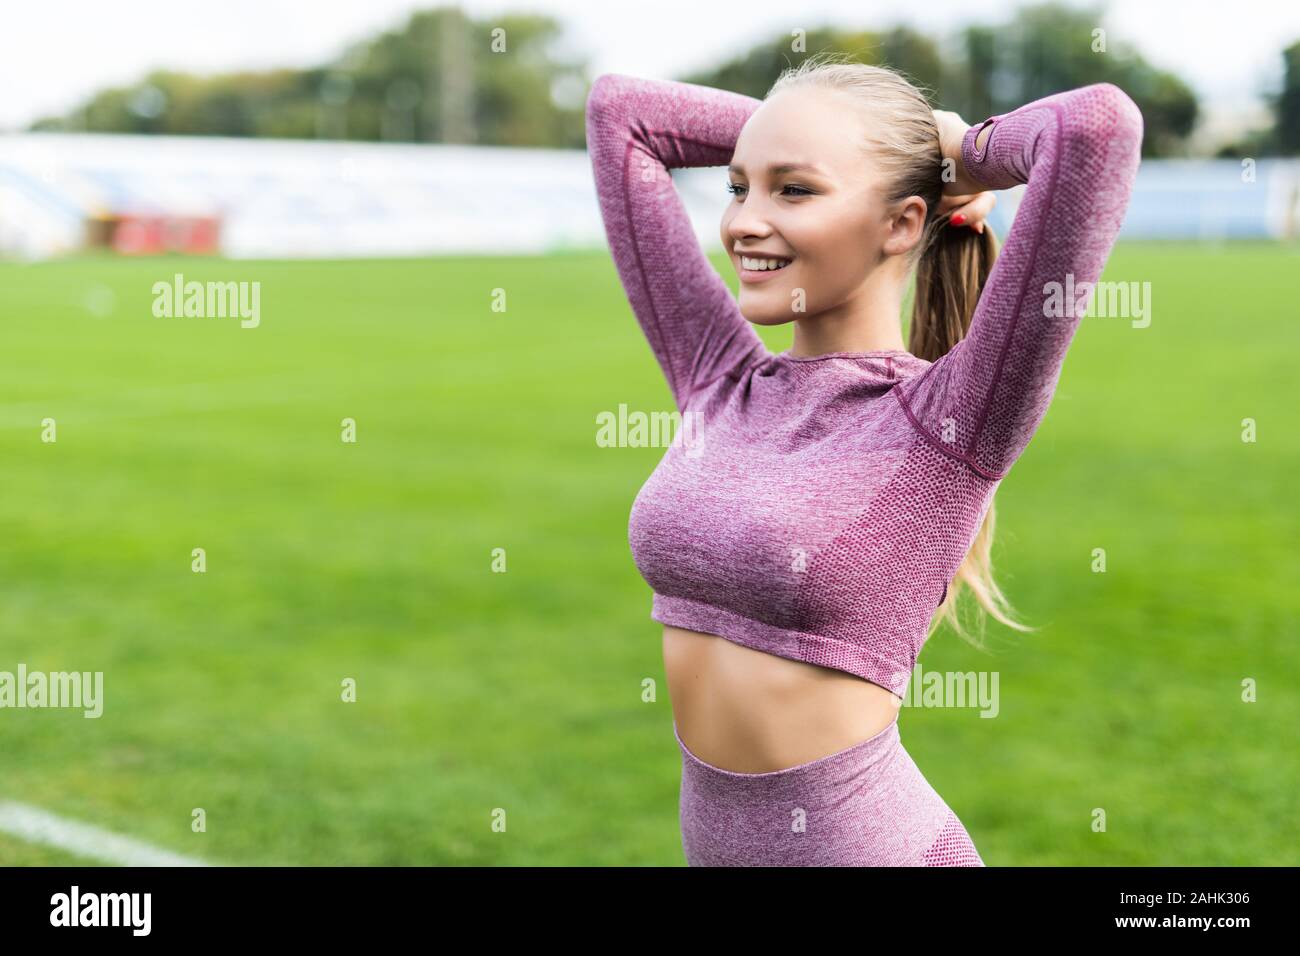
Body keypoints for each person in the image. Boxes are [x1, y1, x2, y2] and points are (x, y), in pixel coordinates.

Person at [584, 52, 1143, 866]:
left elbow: (1095, 128)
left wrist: (952, 149)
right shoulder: (719, 379)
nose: (742, 221)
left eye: (796, 189)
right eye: (740, 186)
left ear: (903, 222)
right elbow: (619, 114)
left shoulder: (953, 418)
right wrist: (832, 133)